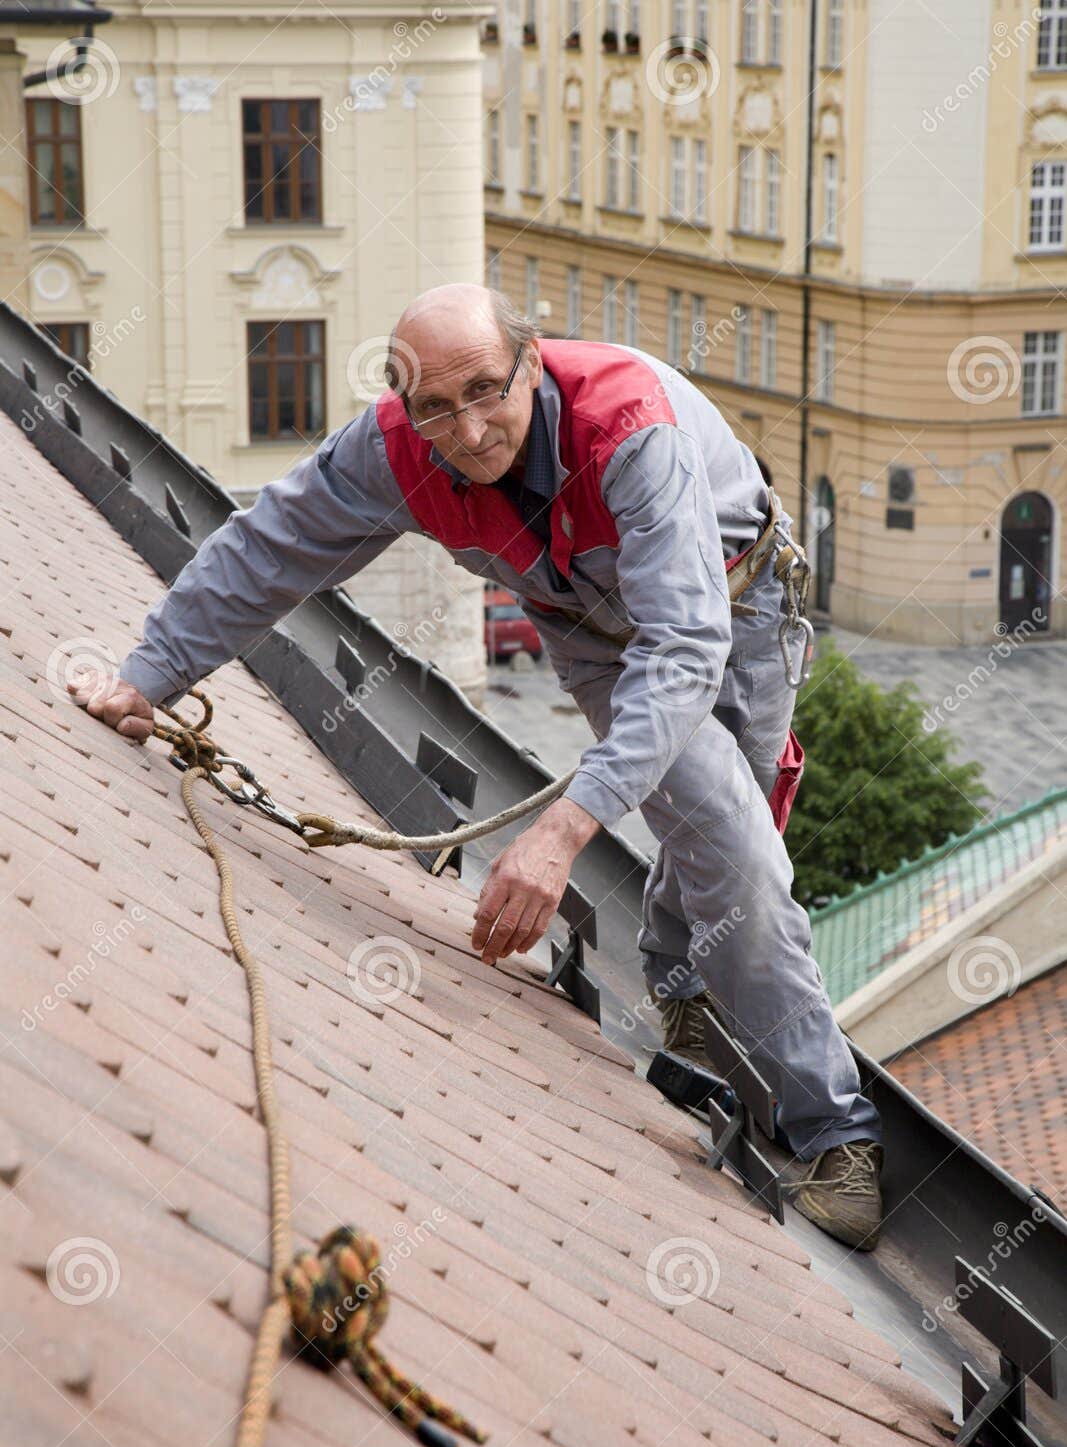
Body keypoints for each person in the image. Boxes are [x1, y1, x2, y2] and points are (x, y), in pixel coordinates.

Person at [70, 282, 884, 1250]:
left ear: (532, 365)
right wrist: (148, 675)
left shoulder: (626, 432)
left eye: (486, 391)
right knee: (730, 846)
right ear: (402, 404)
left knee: (723, 832)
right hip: (588, 629)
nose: (466, 429)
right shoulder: (393, 450)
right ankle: (839, 1134)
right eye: (434, 406)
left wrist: (560, 831)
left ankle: (676, 974)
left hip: (731, 613)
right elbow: (270, 547)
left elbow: (682, 652)